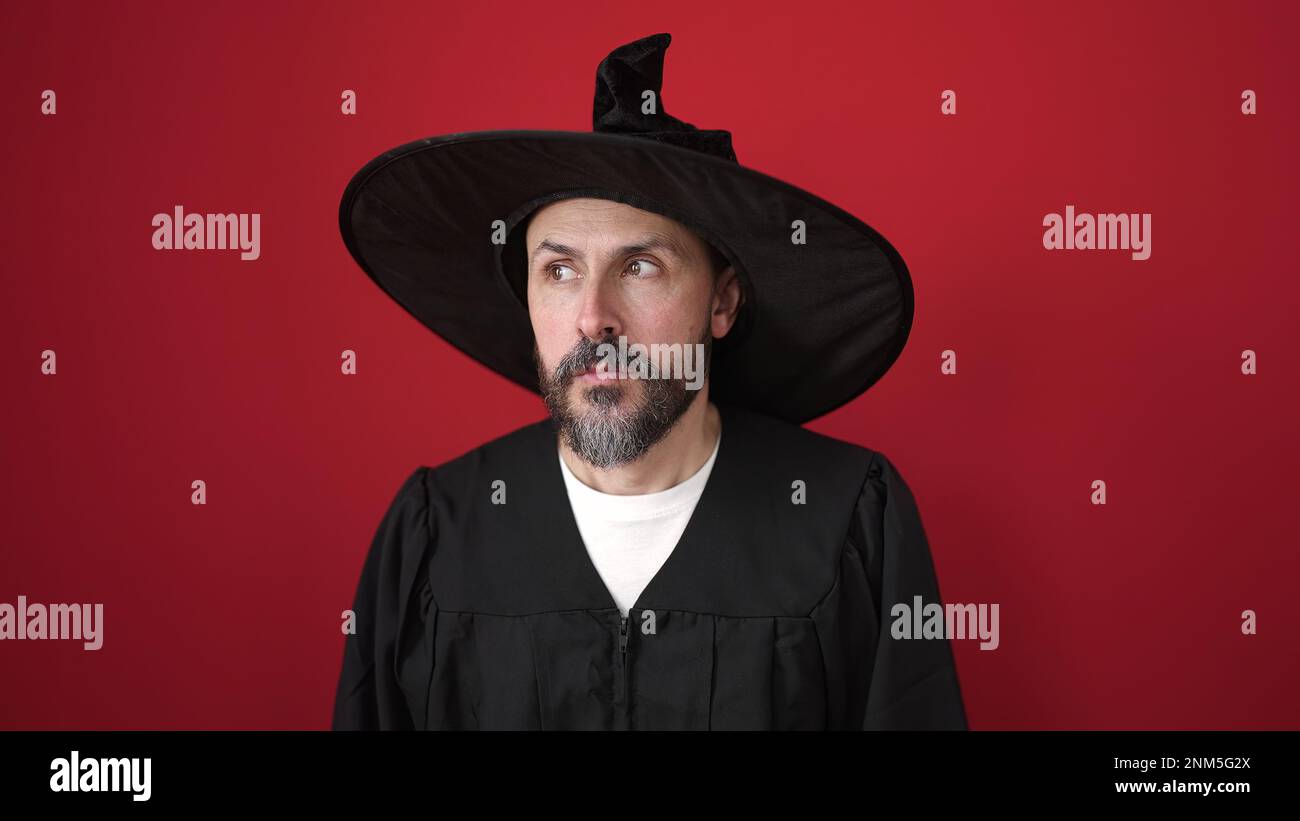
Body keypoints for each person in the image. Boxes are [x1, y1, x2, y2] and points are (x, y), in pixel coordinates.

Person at [331, 32, 967, 730]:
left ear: (721, 303)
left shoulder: (847, 521)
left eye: (640, 266)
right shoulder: (436, 536)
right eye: (560, 270)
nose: (594, 318)